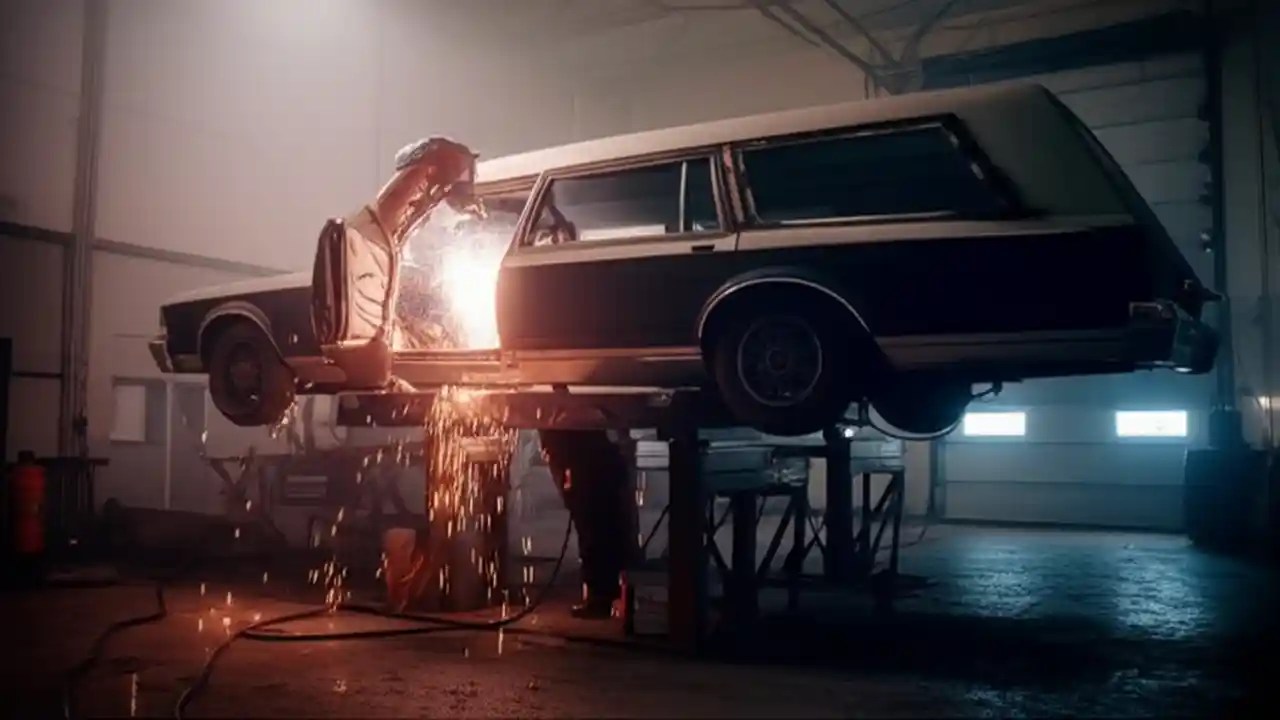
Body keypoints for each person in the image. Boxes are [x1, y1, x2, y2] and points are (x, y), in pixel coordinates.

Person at [538, 429, 639, 619]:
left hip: (582, 457)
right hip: (590, 455)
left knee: (592, 525)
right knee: (601, 523)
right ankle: (615, 592)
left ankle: (601, 597)